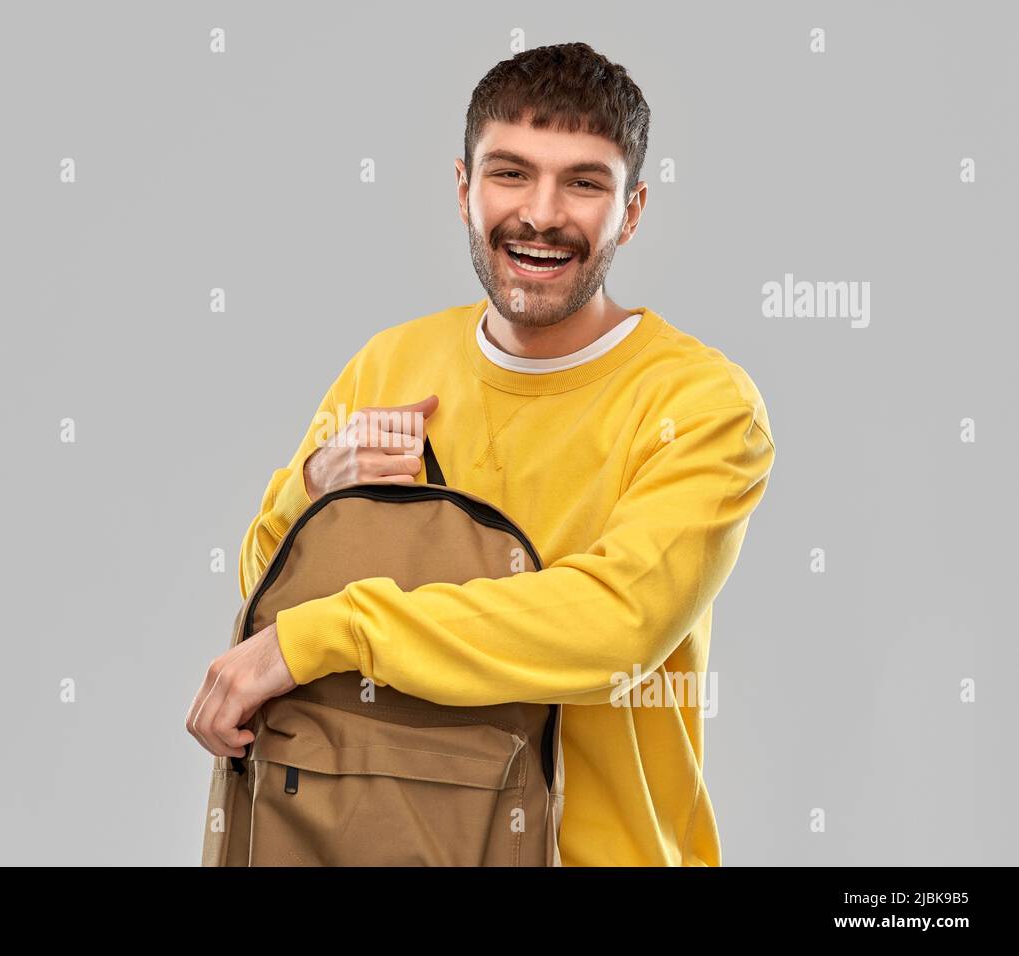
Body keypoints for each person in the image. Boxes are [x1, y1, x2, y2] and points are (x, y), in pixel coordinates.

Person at [186, 41, 776, 867]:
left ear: (632, 211)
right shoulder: (389, 363)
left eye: (584, 181)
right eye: (510, 172)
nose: (541, 213)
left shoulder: (701, 404)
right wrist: (314, 489)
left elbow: (614, 624)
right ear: (463, 189)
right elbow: (269, 587)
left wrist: (331, 634)